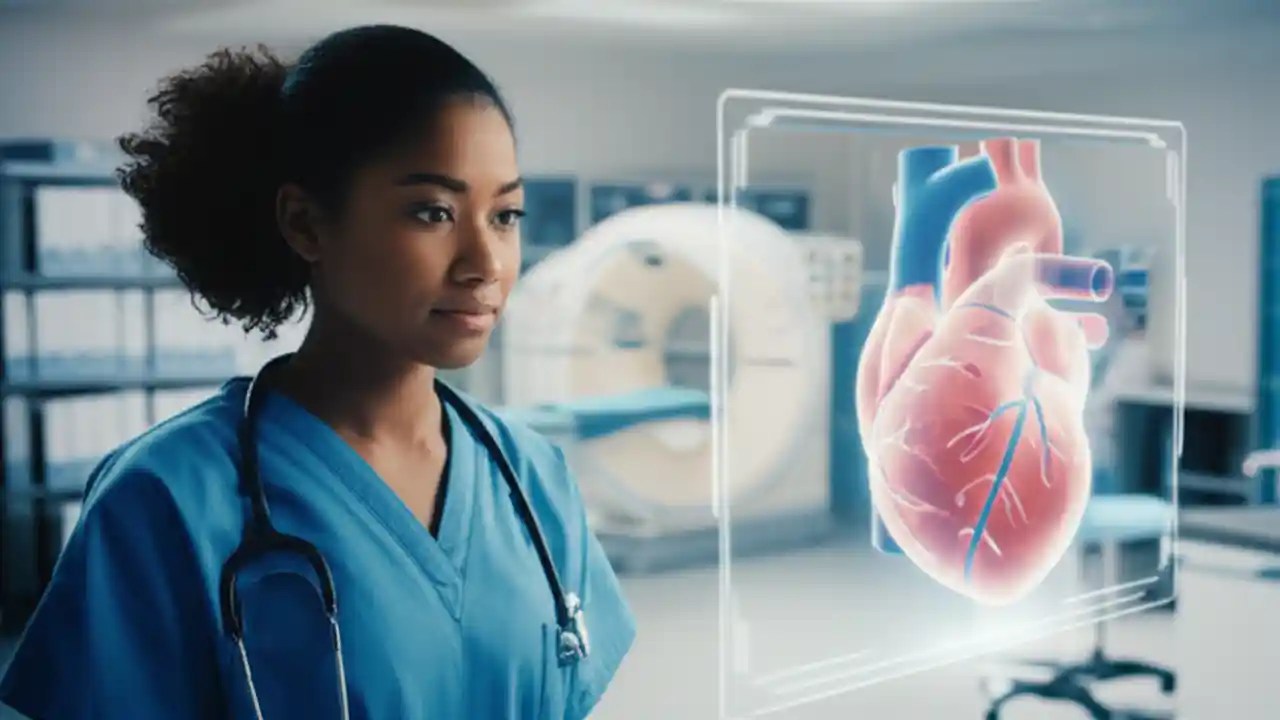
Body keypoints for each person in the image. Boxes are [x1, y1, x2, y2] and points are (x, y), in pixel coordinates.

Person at [0, 24, 635, 719]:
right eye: (433, 212)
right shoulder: (167, 498)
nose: (484, 262)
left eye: (506, 214)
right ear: (305, 224)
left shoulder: (532, 477)